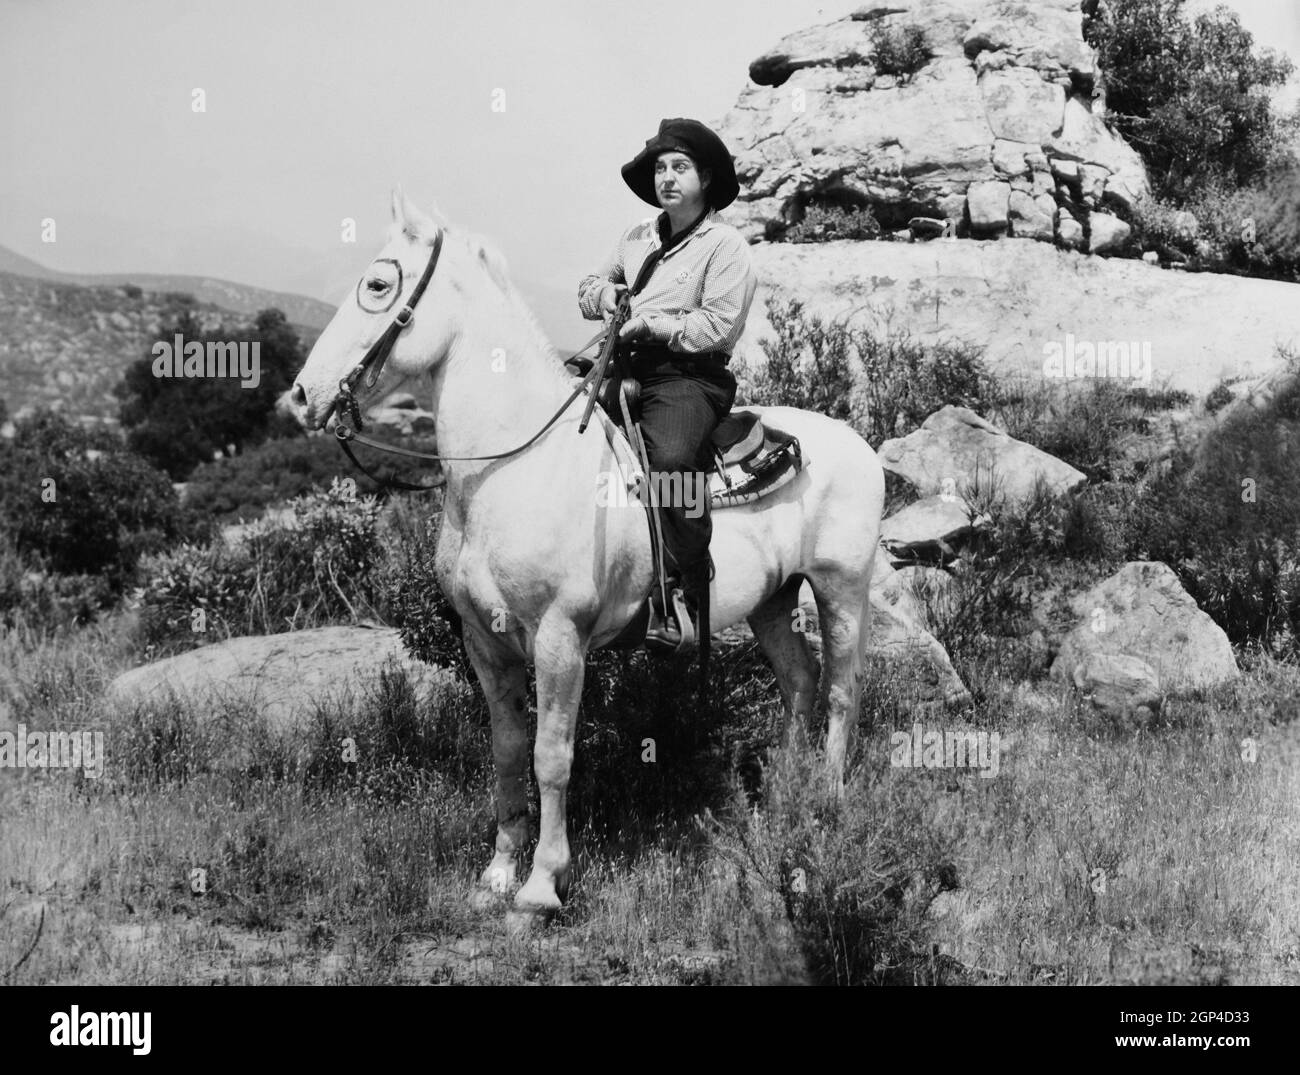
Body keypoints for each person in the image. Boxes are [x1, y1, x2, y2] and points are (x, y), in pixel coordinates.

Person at [578, 117, 758, 652]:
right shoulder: (636, 235)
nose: (667, 178)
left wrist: (650, 325)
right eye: (660, 168)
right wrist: (603, 298)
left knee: (674, 464)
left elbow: (715, 327)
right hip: (623, 366)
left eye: (680, 167)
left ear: (705, 178)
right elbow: (591, 285)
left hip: (686, 379)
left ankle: (680, 596)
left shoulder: (725, 246)